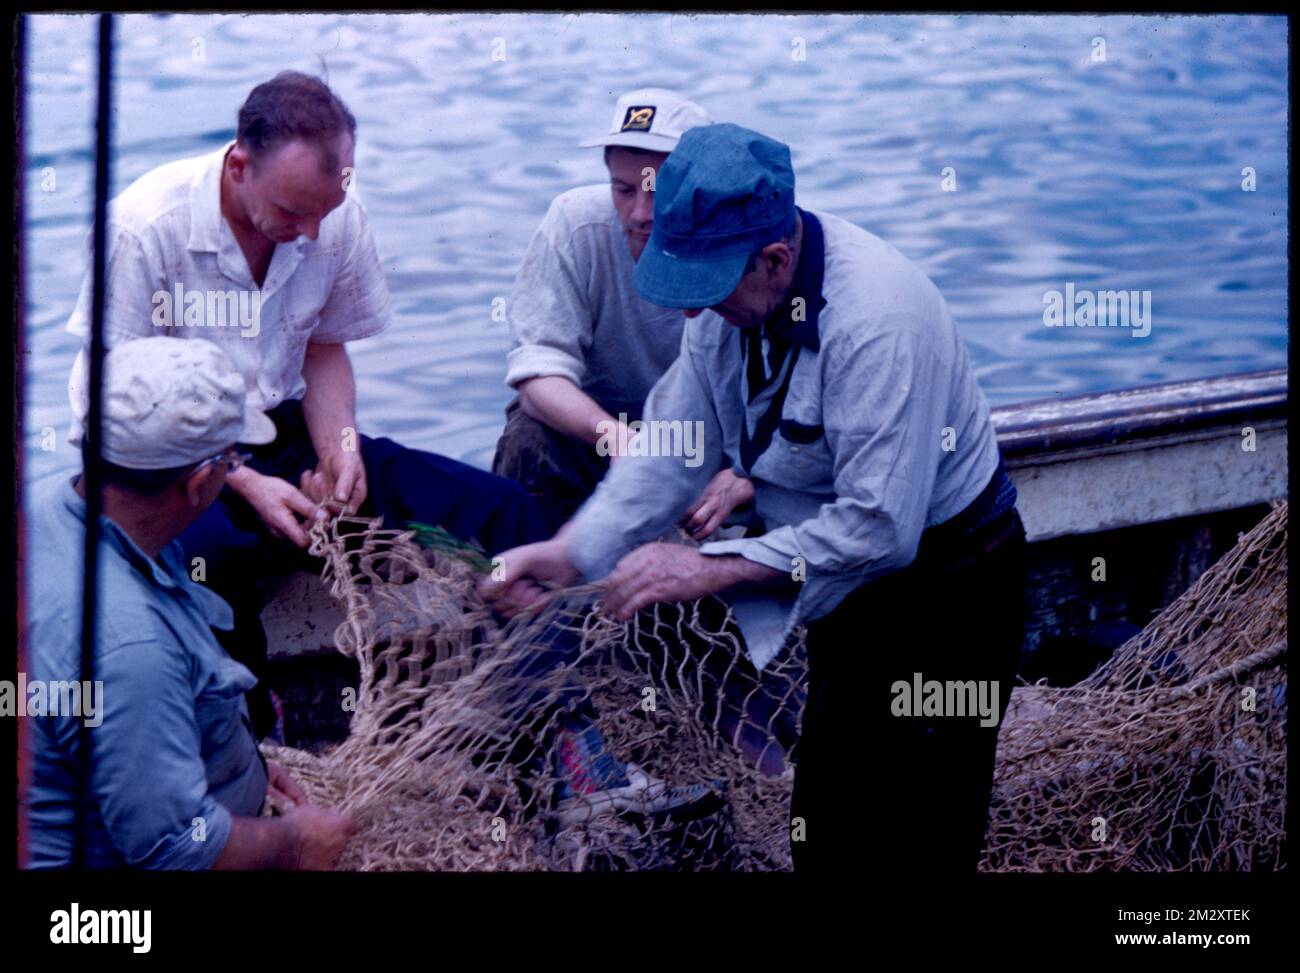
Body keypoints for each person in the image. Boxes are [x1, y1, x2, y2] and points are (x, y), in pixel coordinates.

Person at [482, 123, 1028, 873]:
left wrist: (711, 569)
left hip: (950, 581)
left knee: (925, 824)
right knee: (829, 821)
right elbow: (674, 446)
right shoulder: (728, 305)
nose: (692, 315)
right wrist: (569, 552)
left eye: (706, 293)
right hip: (842, 591)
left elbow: (882, 528)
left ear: (775, 259)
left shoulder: (878, 323)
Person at [64, 71, 552, 737]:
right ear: (239, 164)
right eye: (294, 213)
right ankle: (251, 736)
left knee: (501, 510)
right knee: (203, 561)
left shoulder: (332, 214)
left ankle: (557, 729)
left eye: (324, 212)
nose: (311, 232)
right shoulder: (143, 227)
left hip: (285, 430)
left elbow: (323, 349)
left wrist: (340, 450)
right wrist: (241, 480)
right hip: (171, 458)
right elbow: (103, 393)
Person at [25, 337, 355, 869]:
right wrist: (295, 843)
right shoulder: (130, 647)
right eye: (234, 460)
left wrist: (232, 763)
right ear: (200, 482)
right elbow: (173, 850)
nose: (233, 470)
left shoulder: (47, 504)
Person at [493, 88, 754, 537]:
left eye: (661, 190)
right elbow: (537, 374)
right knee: (528, 437)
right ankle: (525, 578)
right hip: (601, 433)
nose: (641, 213)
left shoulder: (744, 239)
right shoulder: (575, 223)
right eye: (624, 189)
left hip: (712, 447)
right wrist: (613, 437)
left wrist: (749, 476)